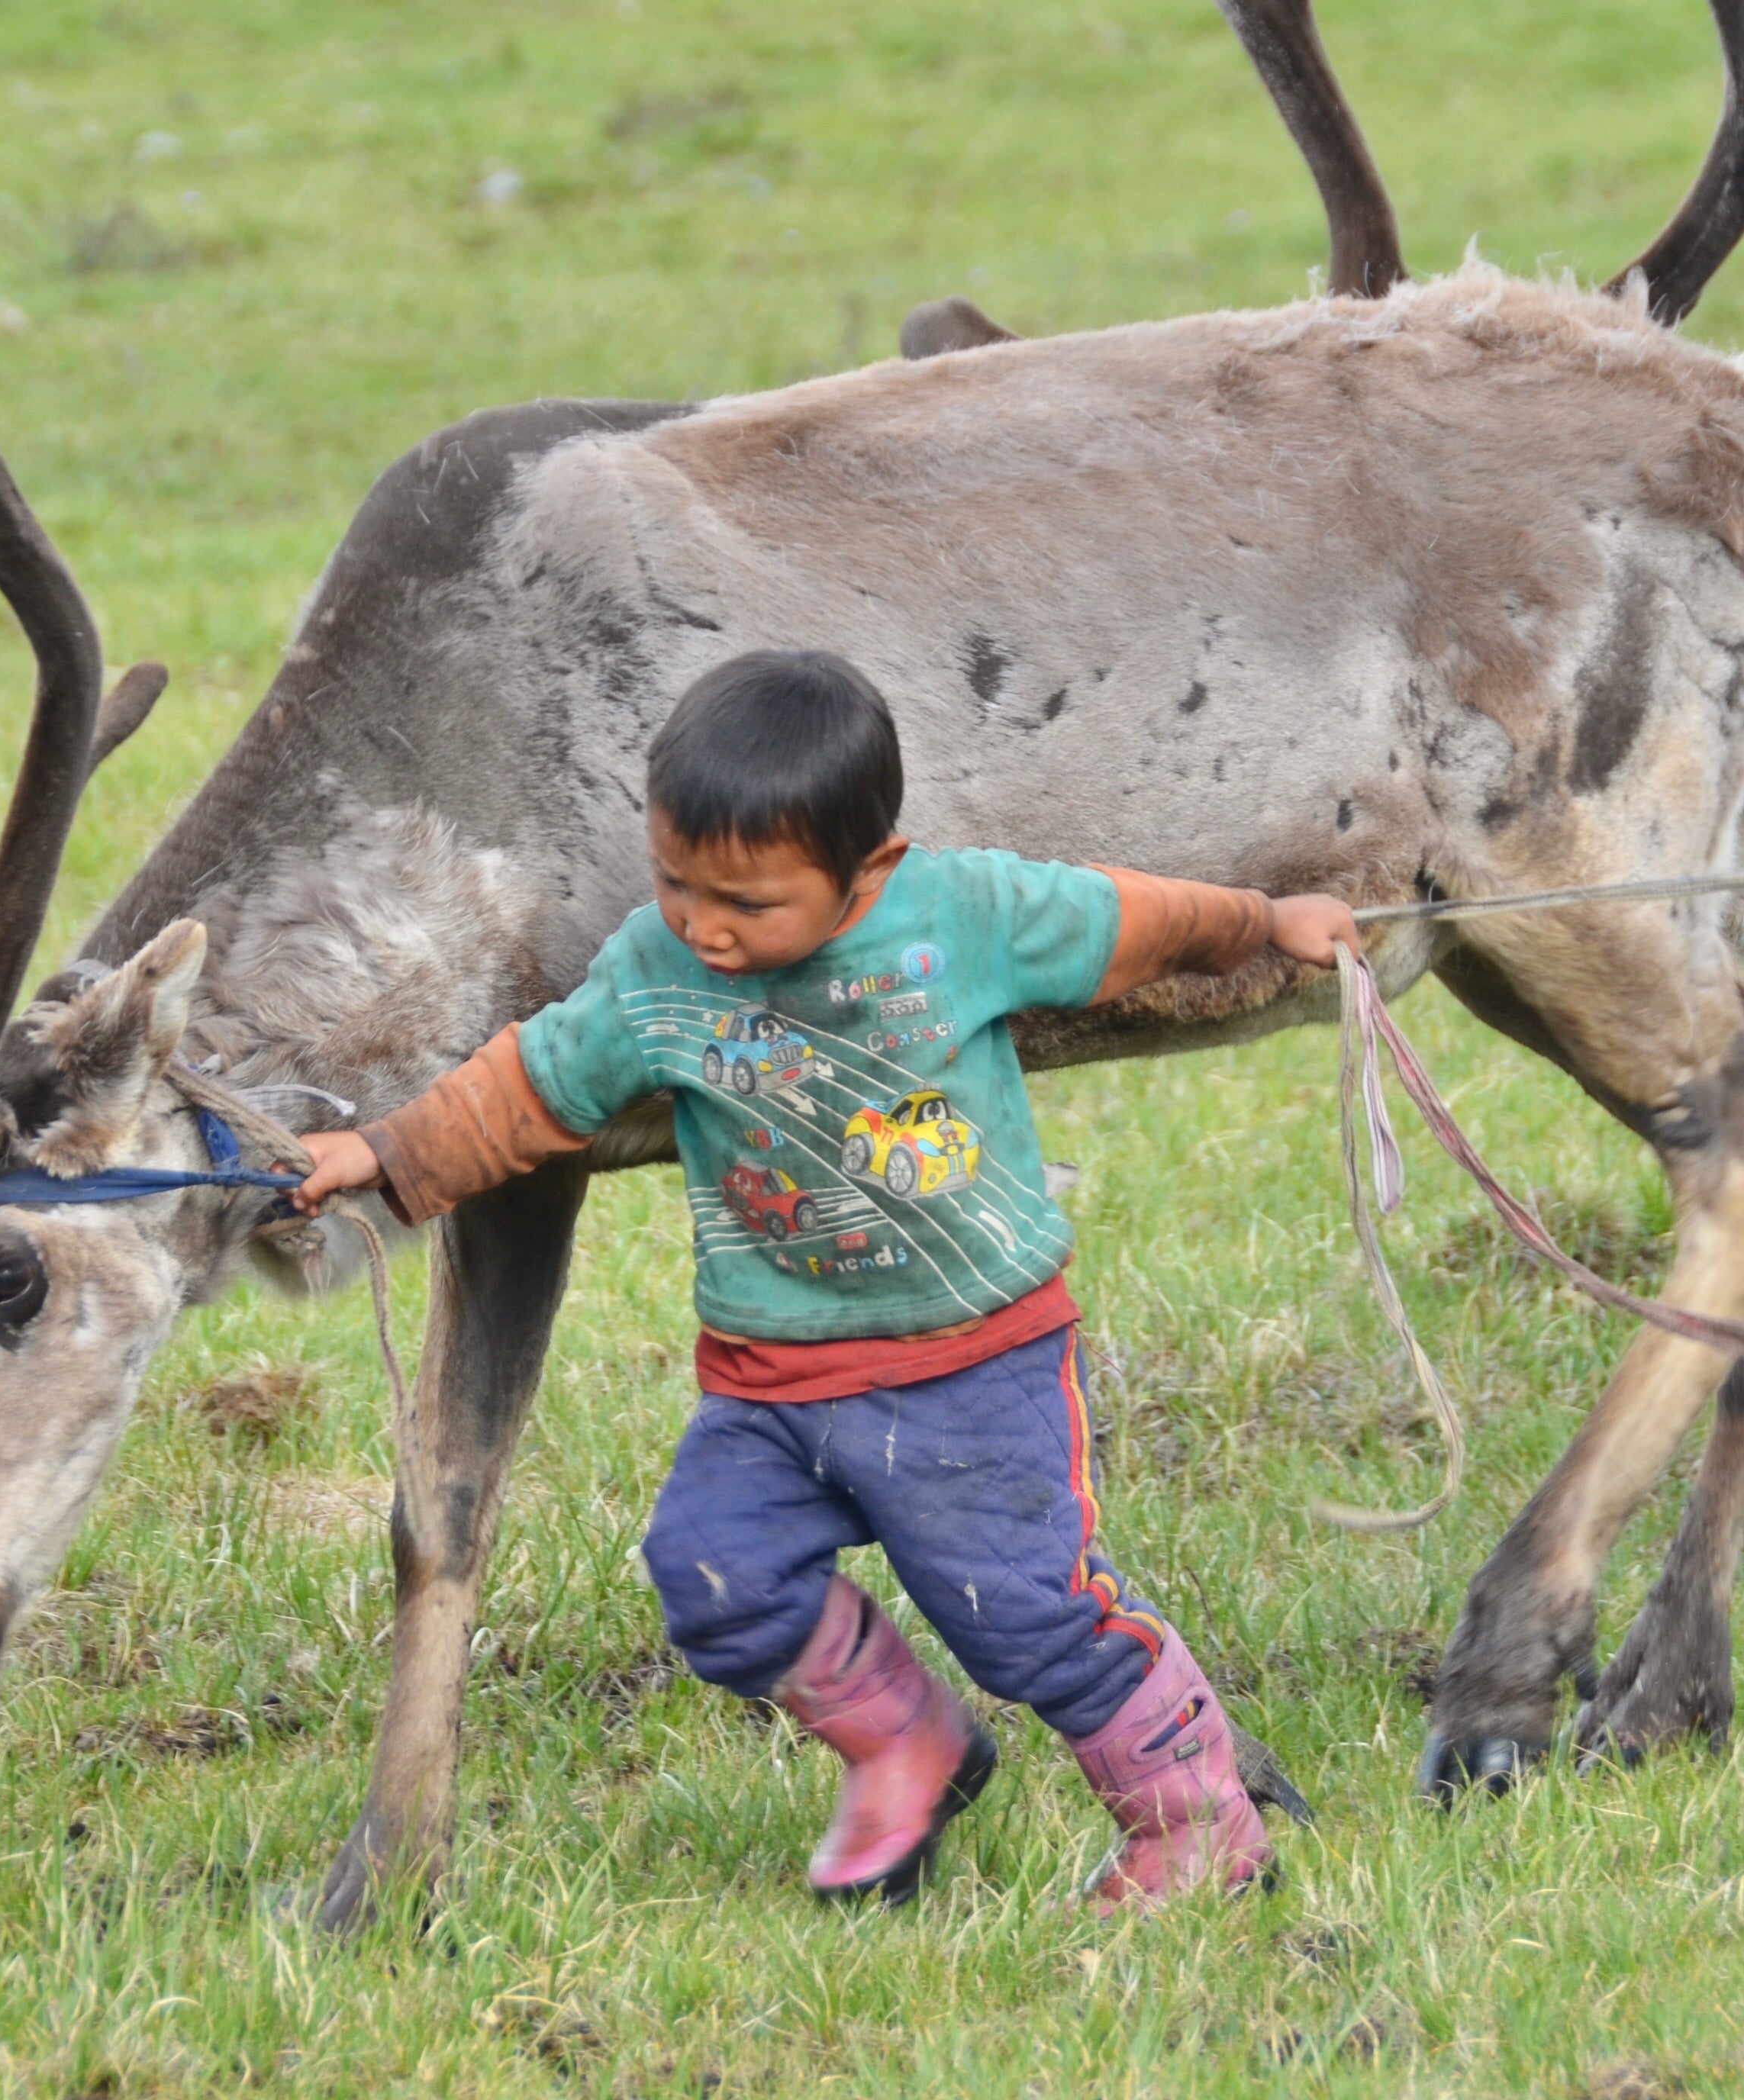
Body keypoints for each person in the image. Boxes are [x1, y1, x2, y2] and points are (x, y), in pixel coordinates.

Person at [291, 647, 1358, 1908]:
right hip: (772, 1384)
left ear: (869, 868)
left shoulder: (963, 916)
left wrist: (1269, 922)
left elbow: (1140, 919)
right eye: (676, 881)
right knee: (713, 1577)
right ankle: (906, 1743)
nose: (704, 923)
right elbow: (531, 1084)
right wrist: (381, 1152)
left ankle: (1197, 1825)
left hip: (972, 1369)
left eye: (747, 900)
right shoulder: (658, 972)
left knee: (1022, 1614)